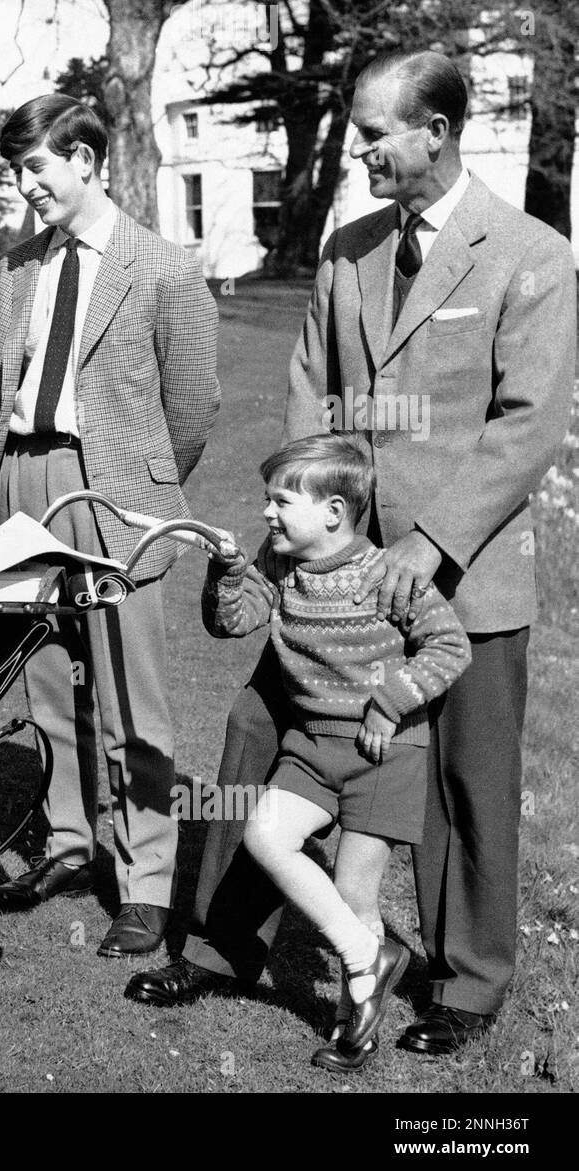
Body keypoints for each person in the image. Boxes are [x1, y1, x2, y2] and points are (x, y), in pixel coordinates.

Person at [127, 51, 575, 1057]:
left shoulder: (529, 255)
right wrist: (306, 524)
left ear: (437, 131)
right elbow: (308, 388)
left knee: (463, 781)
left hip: (463, 581)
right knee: (257, 733)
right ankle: (223, 939)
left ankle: (465, 982)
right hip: (332, 566)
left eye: (375, 135)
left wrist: (423, 548)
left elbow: (525, 425)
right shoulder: (347, 247)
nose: (359, 153)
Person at [0, 95, 220, 956]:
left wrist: (143, 492)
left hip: (113, 492)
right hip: (27, 479)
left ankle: (147, 881)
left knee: (131, 697)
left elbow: (193, 404)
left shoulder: (162, 267)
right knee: (48, 680)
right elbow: (6, 388)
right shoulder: (14, 268)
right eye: (15, 172)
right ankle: (70, 843)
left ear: (85, 160)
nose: (24, 186)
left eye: (35, 168)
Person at [203, 435, 469, 1071]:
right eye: (267, 500)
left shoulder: (385, 575)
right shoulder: (279, 565)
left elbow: (450, 647)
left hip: (386, 752)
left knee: (355, 893)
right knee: (266, 837)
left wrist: (390, 699)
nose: (266, 513)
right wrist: (226, 571)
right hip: (311, 747)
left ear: (333, 512)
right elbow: (231, 623)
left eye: (280, 501)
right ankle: (365, 957)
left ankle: (356, 1028)